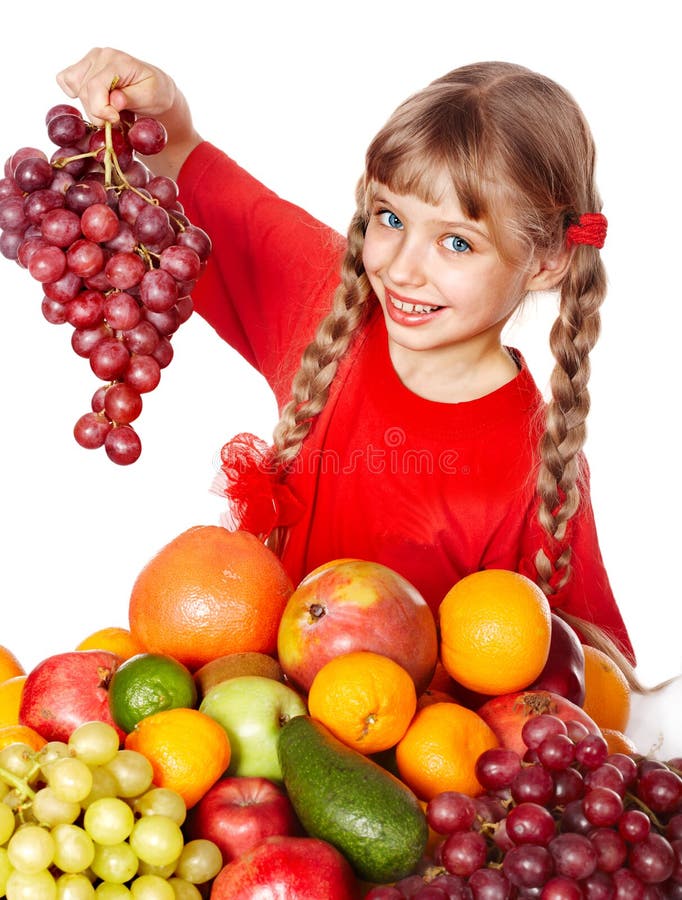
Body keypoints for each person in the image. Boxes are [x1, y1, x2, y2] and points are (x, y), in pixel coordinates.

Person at [57, 49, 636, 670]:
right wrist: (161, 112)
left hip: (406, 763)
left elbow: (594, 691)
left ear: (548, 261)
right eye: (391, 217)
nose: (402, 267)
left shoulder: (538, 471)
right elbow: (193, 177)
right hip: (245, 732)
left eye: (457, 242)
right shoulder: (327, 295)